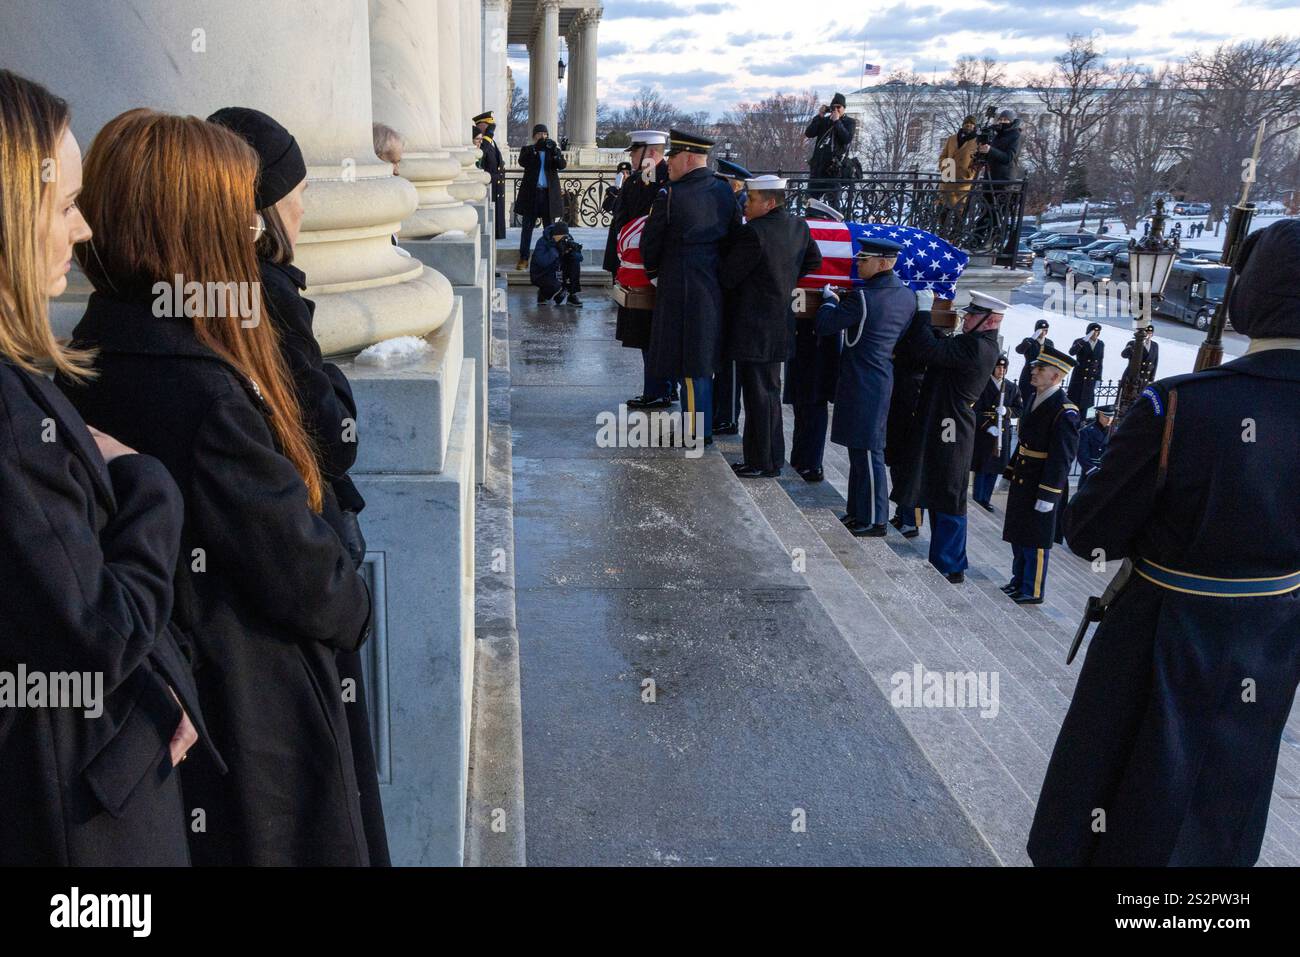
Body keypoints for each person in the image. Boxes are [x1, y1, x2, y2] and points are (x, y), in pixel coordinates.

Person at [61, 109, 373, 866]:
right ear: (195, 231)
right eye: (237, 219)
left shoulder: (87, 358)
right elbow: (321, 585)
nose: (253, 237)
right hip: (259, 743)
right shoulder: (204, 394)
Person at [1029, 219, 1300, 867]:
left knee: (1115, 812)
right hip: (1270, 645)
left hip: (1157, 636)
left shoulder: (1178, 405)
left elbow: (1089, 531)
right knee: (1217, 817)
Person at [0, 70, 210, 867]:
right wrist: (147, 482)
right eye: (62, 206)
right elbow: (96, 636)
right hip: (79, 827)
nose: (84, 230)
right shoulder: (14, 418)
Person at [208, 105, 389, 866]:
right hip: (304, 580)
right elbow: (332, 437)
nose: (308, 205)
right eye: (298, 191)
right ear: (263, 205)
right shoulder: (265, 296)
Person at [641, 129, 741, 447]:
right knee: (704, 360)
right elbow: (735, 238)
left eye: (671, 158)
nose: (667, 164)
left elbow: (649, 246)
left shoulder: (670, 195)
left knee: (691, 363)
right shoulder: (725, 192)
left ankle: (697, 431)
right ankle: (702, 424)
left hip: (680, 289)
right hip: (714, 287)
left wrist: (657, 274)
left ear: (686, 159)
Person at [893, 291, 1003, 581]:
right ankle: (946, 560)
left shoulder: (977, 347)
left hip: (951, 429)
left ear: (990, 321)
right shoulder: (975, 343)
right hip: (946, 424)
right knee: (939, 489)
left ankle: (951, 564)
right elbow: (939, 347)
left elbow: (928, 349)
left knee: (949, 493)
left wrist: (924, 312)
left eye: (974, 315)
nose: (967, 318)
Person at [719, 175, 821, 477]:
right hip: (781, 323)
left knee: (758, 396)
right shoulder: (799, 227)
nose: (746, 206)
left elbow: (728, 276)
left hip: (754, 326)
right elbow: (813, 262)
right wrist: (784, 278)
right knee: (770, 393)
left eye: (751, 200)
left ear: (770, 202)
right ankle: (772, 458)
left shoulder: (754, 233)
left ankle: (761, 462)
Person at [815, 238, 916, 532]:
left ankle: (875, 519)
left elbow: (825, 325)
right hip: (879, 378)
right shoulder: (906, 297)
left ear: (883, 263)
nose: (858, 264)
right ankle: (859, 512)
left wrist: (828, 302)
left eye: (864, 260)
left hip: (862, 381)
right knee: (860, 449)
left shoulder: (864, 298)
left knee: (869, 452)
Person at [999, 345, 1080, 605]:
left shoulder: (1065, 410)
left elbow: (1062, 457)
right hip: (1025, 475)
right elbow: (1026, 442)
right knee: (1019, 531)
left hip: (1042, 482)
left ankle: (1032, 588)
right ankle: (1018, 579)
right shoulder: (1037, 397)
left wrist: (1049, 493)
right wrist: (1011, 470)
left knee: (1035, 537)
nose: (1033, 371)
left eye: (1040, 369)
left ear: (1056, 376)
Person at [605, 131, 672, 409]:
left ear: (651, 154)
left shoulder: (656, 180)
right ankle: (660, 387)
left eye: (635, 152)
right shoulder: (642, 179)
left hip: (647, 267)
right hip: (636, 264)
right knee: (647, 332)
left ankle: (658, 389)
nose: (631, 157)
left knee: (652, 333)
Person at [786, 203, 846, 482]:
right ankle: (801, 459)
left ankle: (812, 463)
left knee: (814, 403)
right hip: (803, 337)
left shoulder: (829, 265)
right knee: (802, 403)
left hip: (821, 342)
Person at [710, 157, 753, 436]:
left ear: (733, 185)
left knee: (729, 363)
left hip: (734, 296)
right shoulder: (731, 206)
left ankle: (727, 416)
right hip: (724, 292)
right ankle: (720, 411)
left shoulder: (740, 210)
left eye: (721, 182)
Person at [886, 303, 933, 537]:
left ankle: (911, 519)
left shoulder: (924, 339)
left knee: (909, 471)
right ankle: (902, 514)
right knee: (898, 467)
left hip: (910, 419)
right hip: (899, 413)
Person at [970, 354, 1022, 511]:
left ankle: (986, 498)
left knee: (995, 466)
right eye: (999, 367)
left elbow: (1020, 410)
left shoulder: (1012, 388)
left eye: (1004, 368)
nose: (1001, 370)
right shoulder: (982, 385)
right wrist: (987, 426)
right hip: (985, 431)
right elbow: (974, 409)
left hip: (1002, 432)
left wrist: (1007, 411)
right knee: (982, 466)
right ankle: (978, 497)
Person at [515, 123, 567, 270]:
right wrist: (535, 149)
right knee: (527, 227)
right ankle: (524, 258)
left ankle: (550, 258)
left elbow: (562, 165)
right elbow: (522, 162)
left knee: (549, 228)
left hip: (548, 195)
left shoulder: (552, 150)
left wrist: (556, 152)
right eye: (539, 134)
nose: (542, 137)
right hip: (532, 195)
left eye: (545, 134)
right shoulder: (528, 150)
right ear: (534, 136)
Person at [804, 92, 856, 205]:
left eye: (839, 107)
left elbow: (846, 138)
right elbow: (809, 133)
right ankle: (811, 219)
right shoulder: (824, 121)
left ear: (844, 108)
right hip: (818, 167)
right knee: (811, 200)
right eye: (834, 107)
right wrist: (819, 116)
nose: (836, 109)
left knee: (833, 202)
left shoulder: (849, 122)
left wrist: (837, 122)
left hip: (833, 169)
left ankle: (834, 221)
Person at [530, 221, 583, 305]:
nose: (563, 240)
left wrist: (573, 251)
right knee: (555, 288)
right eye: (560, 238)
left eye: (564, 237)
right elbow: (542, 262)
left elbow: (580, 258)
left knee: (574, 262)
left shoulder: (568, 239)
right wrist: (555, 249)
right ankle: (543, 294)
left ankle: (572, 295)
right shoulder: (543, 241)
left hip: (560, 270)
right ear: (554, 235)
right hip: (543, 274)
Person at [473, 110, 507, 241]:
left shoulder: (491, 142)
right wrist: (486, 138)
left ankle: (499, 233)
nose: (490, 128)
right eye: (487, 125)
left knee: (498, 216)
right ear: (480, 126)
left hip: (497, 186)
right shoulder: (482, 143)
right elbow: (481, 156)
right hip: (489, 185)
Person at [938, 115, 978, 214]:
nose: (968, 125)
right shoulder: (952, 138)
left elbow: (978, 161)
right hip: (948, 178)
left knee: (959, 212)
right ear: (963, 124)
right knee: (942, 210)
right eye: (966, 123)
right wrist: (944, 168)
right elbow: (943, 155)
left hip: (963, 181)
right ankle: (941, 229)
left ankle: (957, 229)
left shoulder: (977, 141)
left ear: (974, 126)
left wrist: (970, 173)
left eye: (971, 124)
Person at [1067, 322, 1104, 411]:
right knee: (1074, 399)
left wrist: (1099, 378)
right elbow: (1072, 352)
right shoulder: (1079, 341)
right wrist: (1084, 341)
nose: (1095, 334)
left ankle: (1088, 420)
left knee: (1089, 402)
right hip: (1079, 376)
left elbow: (1100, 362)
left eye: (1097, 332)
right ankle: (1071, 417)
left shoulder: (1100, 344)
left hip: (1091, 377)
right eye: (1093, 331)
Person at [1015, 318, 1053, 406]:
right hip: (1029, 375)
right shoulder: (1029, 341)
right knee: (1025, 400)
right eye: (1041, 330)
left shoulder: (1049, 343)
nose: (1043, 333)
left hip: (1043, 376)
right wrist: (1032, 339)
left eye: (1045, 330)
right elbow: (1019, 350)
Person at [1074, 403, 1112, 489]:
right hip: (1090, 473)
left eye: (1111, 416)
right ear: (1098, 415)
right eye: (1105, 416)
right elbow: (1082, 455)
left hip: (1107, 473)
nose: (1109, 419)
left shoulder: (1115, 431)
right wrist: (1093, 471)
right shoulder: (1086, 432)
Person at [1120, 325, 1159, 390]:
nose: (1148, 335)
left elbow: (1155, 362)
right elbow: (1124, 355)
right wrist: (1131, 347)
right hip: (1132, 376)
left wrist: (1151, 378)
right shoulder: (1133, 343)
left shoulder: (1155, 345)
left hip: (1145, 377)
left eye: (1150, 333)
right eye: (1147, 333)